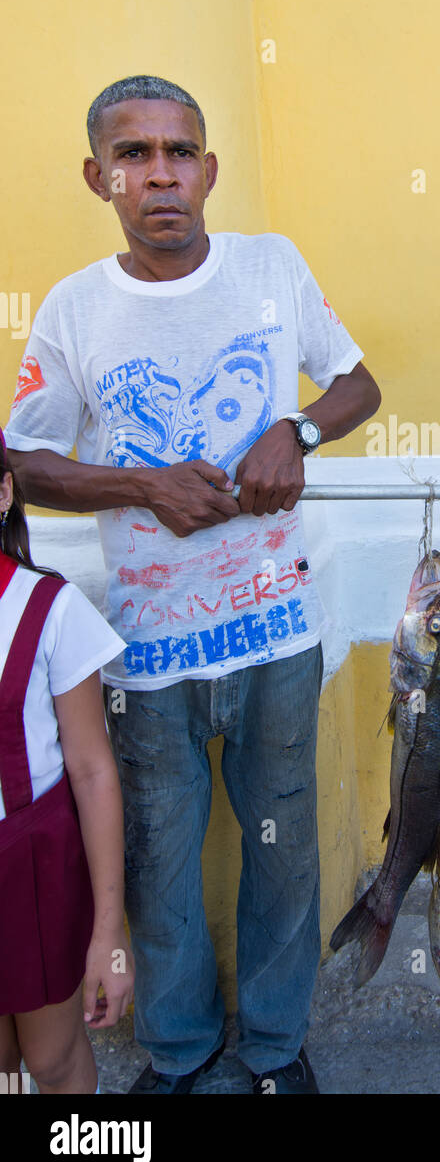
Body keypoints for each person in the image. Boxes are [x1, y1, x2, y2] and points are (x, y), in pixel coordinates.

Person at [5, 75, 381, 1095]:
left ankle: (272, 1046)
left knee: (283, 853)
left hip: (275, 632)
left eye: (178, 151)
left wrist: (293, 430)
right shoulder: (76, 310)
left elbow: (357, 382)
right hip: (147, 647)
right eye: (133, 155)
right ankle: (178, 1054)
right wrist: (139, 484)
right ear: (99, 177)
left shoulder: (271, 269)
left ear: (208, 169)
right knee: (161, 862)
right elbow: (22, 460)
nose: (159, 173)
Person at [0, 427, 133, 1093]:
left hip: (30, 871)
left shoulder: (48, 610)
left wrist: (109, 931)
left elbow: (92, 769)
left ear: (3, 493)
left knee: (49, 1060)